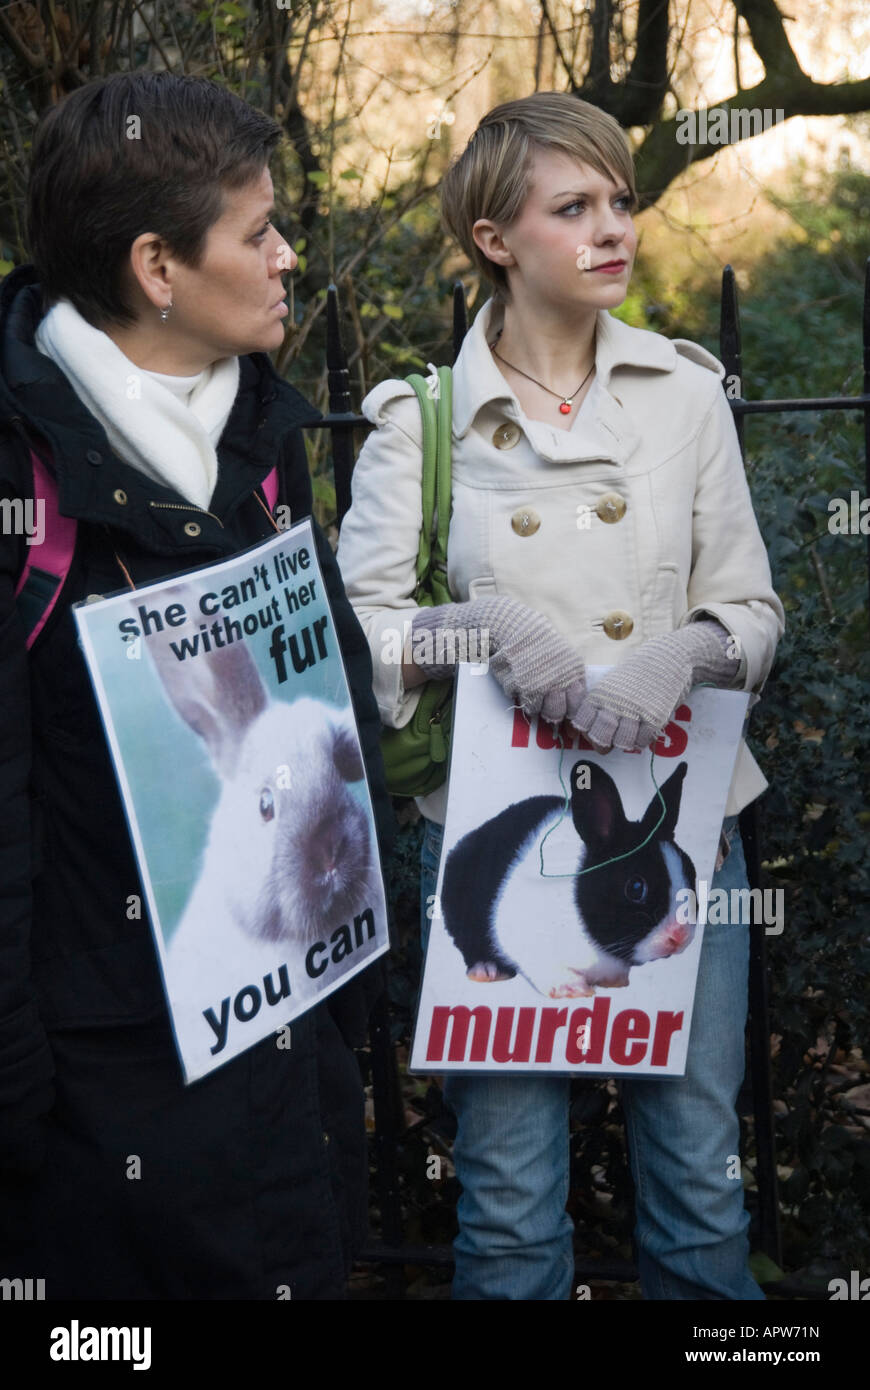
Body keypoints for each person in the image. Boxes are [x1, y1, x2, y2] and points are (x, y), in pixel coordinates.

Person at [336, 92, 785, 1300]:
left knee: (698, 1182)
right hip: (491, 842)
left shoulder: (686, 397)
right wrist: (476, 627)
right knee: (511, 1198)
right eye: (573, 206)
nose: (613, 230)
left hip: (679, 830)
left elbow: (754, 613)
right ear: (495, 237)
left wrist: (680, 651)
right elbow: (357, 630)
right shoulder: (418, 425)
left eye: (623, 200)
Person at [0, 70, 392, 1300]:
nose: (289, 258)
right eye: (259, 231)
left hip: (293, 1062)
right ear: (157, 267)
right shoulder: (27, 495)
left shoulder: (261, 438)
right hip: (108, 1096)